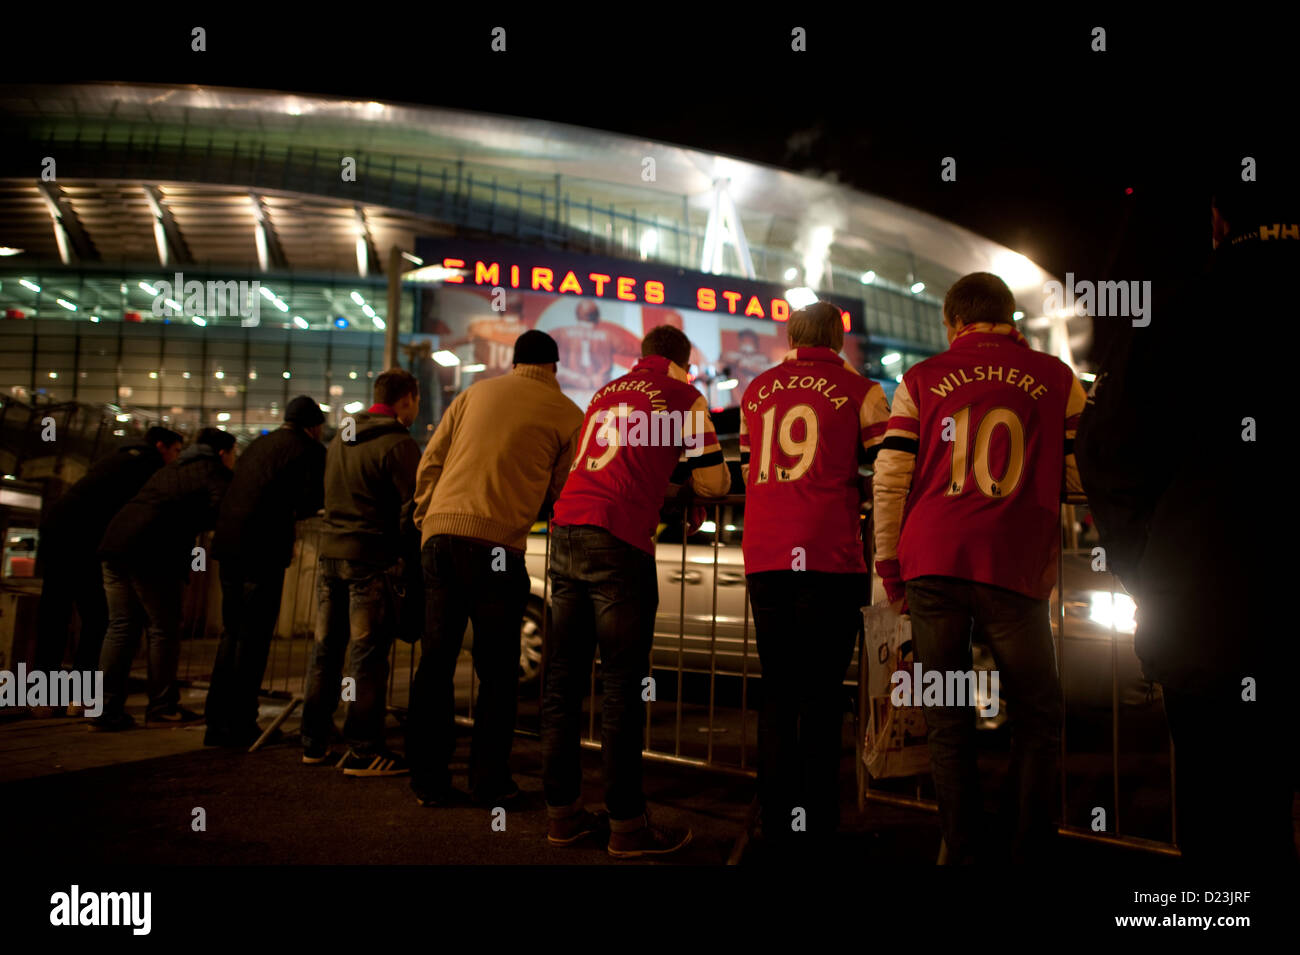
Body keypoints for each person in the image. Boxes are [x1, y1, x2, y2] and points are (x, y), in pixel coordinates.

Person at [1076, 169, 1298, 864]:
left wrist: (1150, 565)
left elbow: (1104, 450)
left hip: (1206, 622)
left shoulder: (1176, 317)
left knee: (1222, 824)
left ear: (1217, 222)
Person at [873, 272, 1086, 864]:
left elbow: (890, 481)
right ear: (1010, 319)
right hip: (1011, 565)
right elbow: (1075, 474)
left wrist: (890, 568)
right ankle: (1029, 845)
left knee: (947, 715)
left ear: (952, 323)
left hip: (932, 560)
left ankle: (962, 849)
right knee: (1038, 715)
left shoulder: (919, 379)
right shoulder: (1057, 378)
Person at [543, 325, 731, 857]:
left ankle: (563, 816)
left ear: (641, 357)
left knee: (562, 683)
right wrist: (681, 493)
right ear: (684, 364)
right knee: (623, 689)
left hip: (566, 531)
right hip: (619, 540)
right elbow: (716, 483)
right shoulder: (684, 397)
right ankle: (627, 824)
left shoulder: (603, 393)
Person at [739, 302, 890, 859]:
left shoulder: (757, 389)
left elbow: (755, 463)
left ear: (790, 336)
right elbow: (886, 465)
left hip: (767, 553)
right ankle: (817, 827)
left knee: (778, 692)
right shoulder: (861, 390)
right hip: (828, 554)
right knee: (823, 695)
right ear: (839, 336)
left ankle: (777, 823)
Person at [406, 329, 583, 807]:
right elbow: (565, 494)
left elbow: (431, 463)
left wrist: (429, 518)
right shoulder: (568, 414)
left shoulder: (473, 394)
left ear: (514, 361)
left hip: (440, 537)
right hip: (498, 547)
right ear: (554, 367)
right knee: (497, 671)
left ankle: (428, 779)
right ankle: (489, 781)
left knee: (437, 662)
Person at [303, 370, 421, 775]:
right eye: (416, 403)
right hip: (370, 560)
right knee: (367, 657)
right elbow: (413, 511)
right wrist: (407, 557)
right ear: (407, 399)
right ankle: (364, 748)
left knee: (326, 652)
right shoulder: (399, 444)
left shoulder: (342, 436)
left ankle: (314, 741)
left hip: (330, 555)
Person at [93, 427, 237, 730]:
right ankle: (161, 707)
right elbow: (225, 511)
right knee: (164, 629)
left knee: (120, 626)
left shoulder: (173, 467)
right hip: (152, 552)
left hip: (115, 543)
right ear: (223, 452)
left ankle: (104, 709)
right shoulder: (213, 471)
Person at [204, 396, 327, 747]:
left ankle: (217, 724)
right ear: (313, 427)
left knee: (232, 634)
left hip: (229, 546)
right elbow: (309, 500)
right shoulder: (309, 450)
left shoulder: (258, 445)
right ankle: (242, 723)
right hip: (262, 550)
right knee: (254, 638)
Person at [33, 426, 183, 690]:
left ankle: (42, 694)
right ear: (162, 446)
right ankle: (79, 694)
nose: (176, 458)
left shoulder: (116, 458)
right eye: (176, 451)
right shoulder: (149, 465)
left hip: (56, 533)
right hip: (84, 541)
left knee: (54, 614)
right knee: (98, 617)